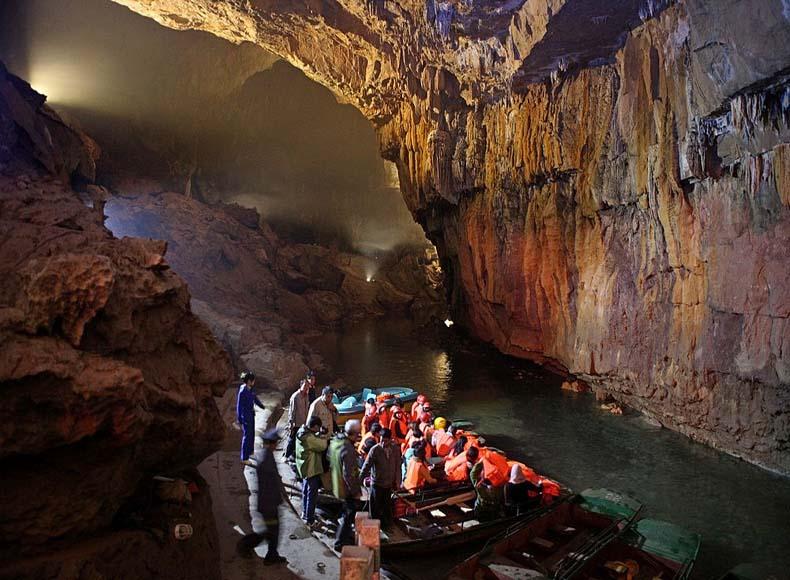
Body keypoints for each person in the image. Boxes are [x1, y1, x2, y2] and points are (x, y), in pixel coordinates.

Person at [235, 428, 287, 565]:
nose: (276, 445)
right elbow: (271, 484)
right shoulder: (267, 459)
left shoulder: (265, 455)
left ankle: (271, 554)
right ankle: (248, 545)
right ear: (271, 443)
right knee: (271, 532)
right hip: (269, 505)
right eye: (275, 442)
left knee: (271, 532)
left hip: (267, 504)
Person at [328, 419, 363, 552]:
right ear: (353, 434)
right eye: (358, 434)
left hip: (336, 483)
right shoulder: (348, 449)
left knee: (345, 512)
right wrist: (356, 491)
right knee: (349, 514)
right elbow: (349, 474)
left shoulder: (336, 441)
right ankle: (339, 542)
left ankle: (345, 535)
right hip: (346, 487)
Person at [360, 428, 402, 528]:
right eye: (382, 440)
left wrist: (398, 482)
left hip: (388, 484)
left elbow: (398, 467)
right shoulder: (375, 450)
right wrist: (359, 480)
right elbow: (366, 466)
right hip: (377, 484)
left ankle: (386, 526)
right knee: (375, 508)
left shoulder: (395, 449)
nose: (383, 443)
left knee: (387, 507)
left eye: (386, 441)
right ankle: (374, 527)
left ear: (390, 440)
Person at [295, 416, 328, 526]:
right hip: (311, 468)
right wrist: (323, 435)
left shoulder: (302, 432)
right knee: (312, 494)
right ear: (314, 427)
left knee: (305, 491)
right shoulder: (308, 438)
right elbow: (322, 446)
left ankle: (305, 513)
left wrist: (318, 434)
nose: (319, 430)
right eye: (318, 428)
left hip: (303, 468)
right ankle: (309, 519)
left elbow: (313, 438)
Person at [236, 371, 265, 465]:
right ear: (249, 381)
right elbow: (239, 406)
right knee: (247, 436)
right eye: (253, 380)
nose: (254, 382)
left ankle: (250, 451)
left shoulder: (250, 389)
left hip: (251, 415)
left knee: (252, 434)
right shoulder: (243, 391)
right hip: (246, 416)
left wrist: (260, 405)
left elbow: (254, 397)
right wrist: (239, 418)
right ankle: (244, 457)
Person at [470, 456, 504, 521]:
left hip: (481, 510)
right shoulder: (500, 486)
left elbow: (473, 474)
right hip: (493, 512)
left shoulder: (479, 486)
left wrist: (482, 461)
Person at [286, 379, 311, 461]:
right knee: (292, 440)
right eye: (305, 386)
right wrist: (291, 423)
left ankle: (295, 455)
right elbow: (292, 411)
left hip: (304, 423)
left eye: (307, 386)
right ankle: (286, 455)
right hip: (296, 423)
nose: (306, 388)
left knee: (301, 440)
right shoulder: (295, 396)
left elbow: (307, 409)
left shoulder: (306, 396)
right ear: (301, 386)